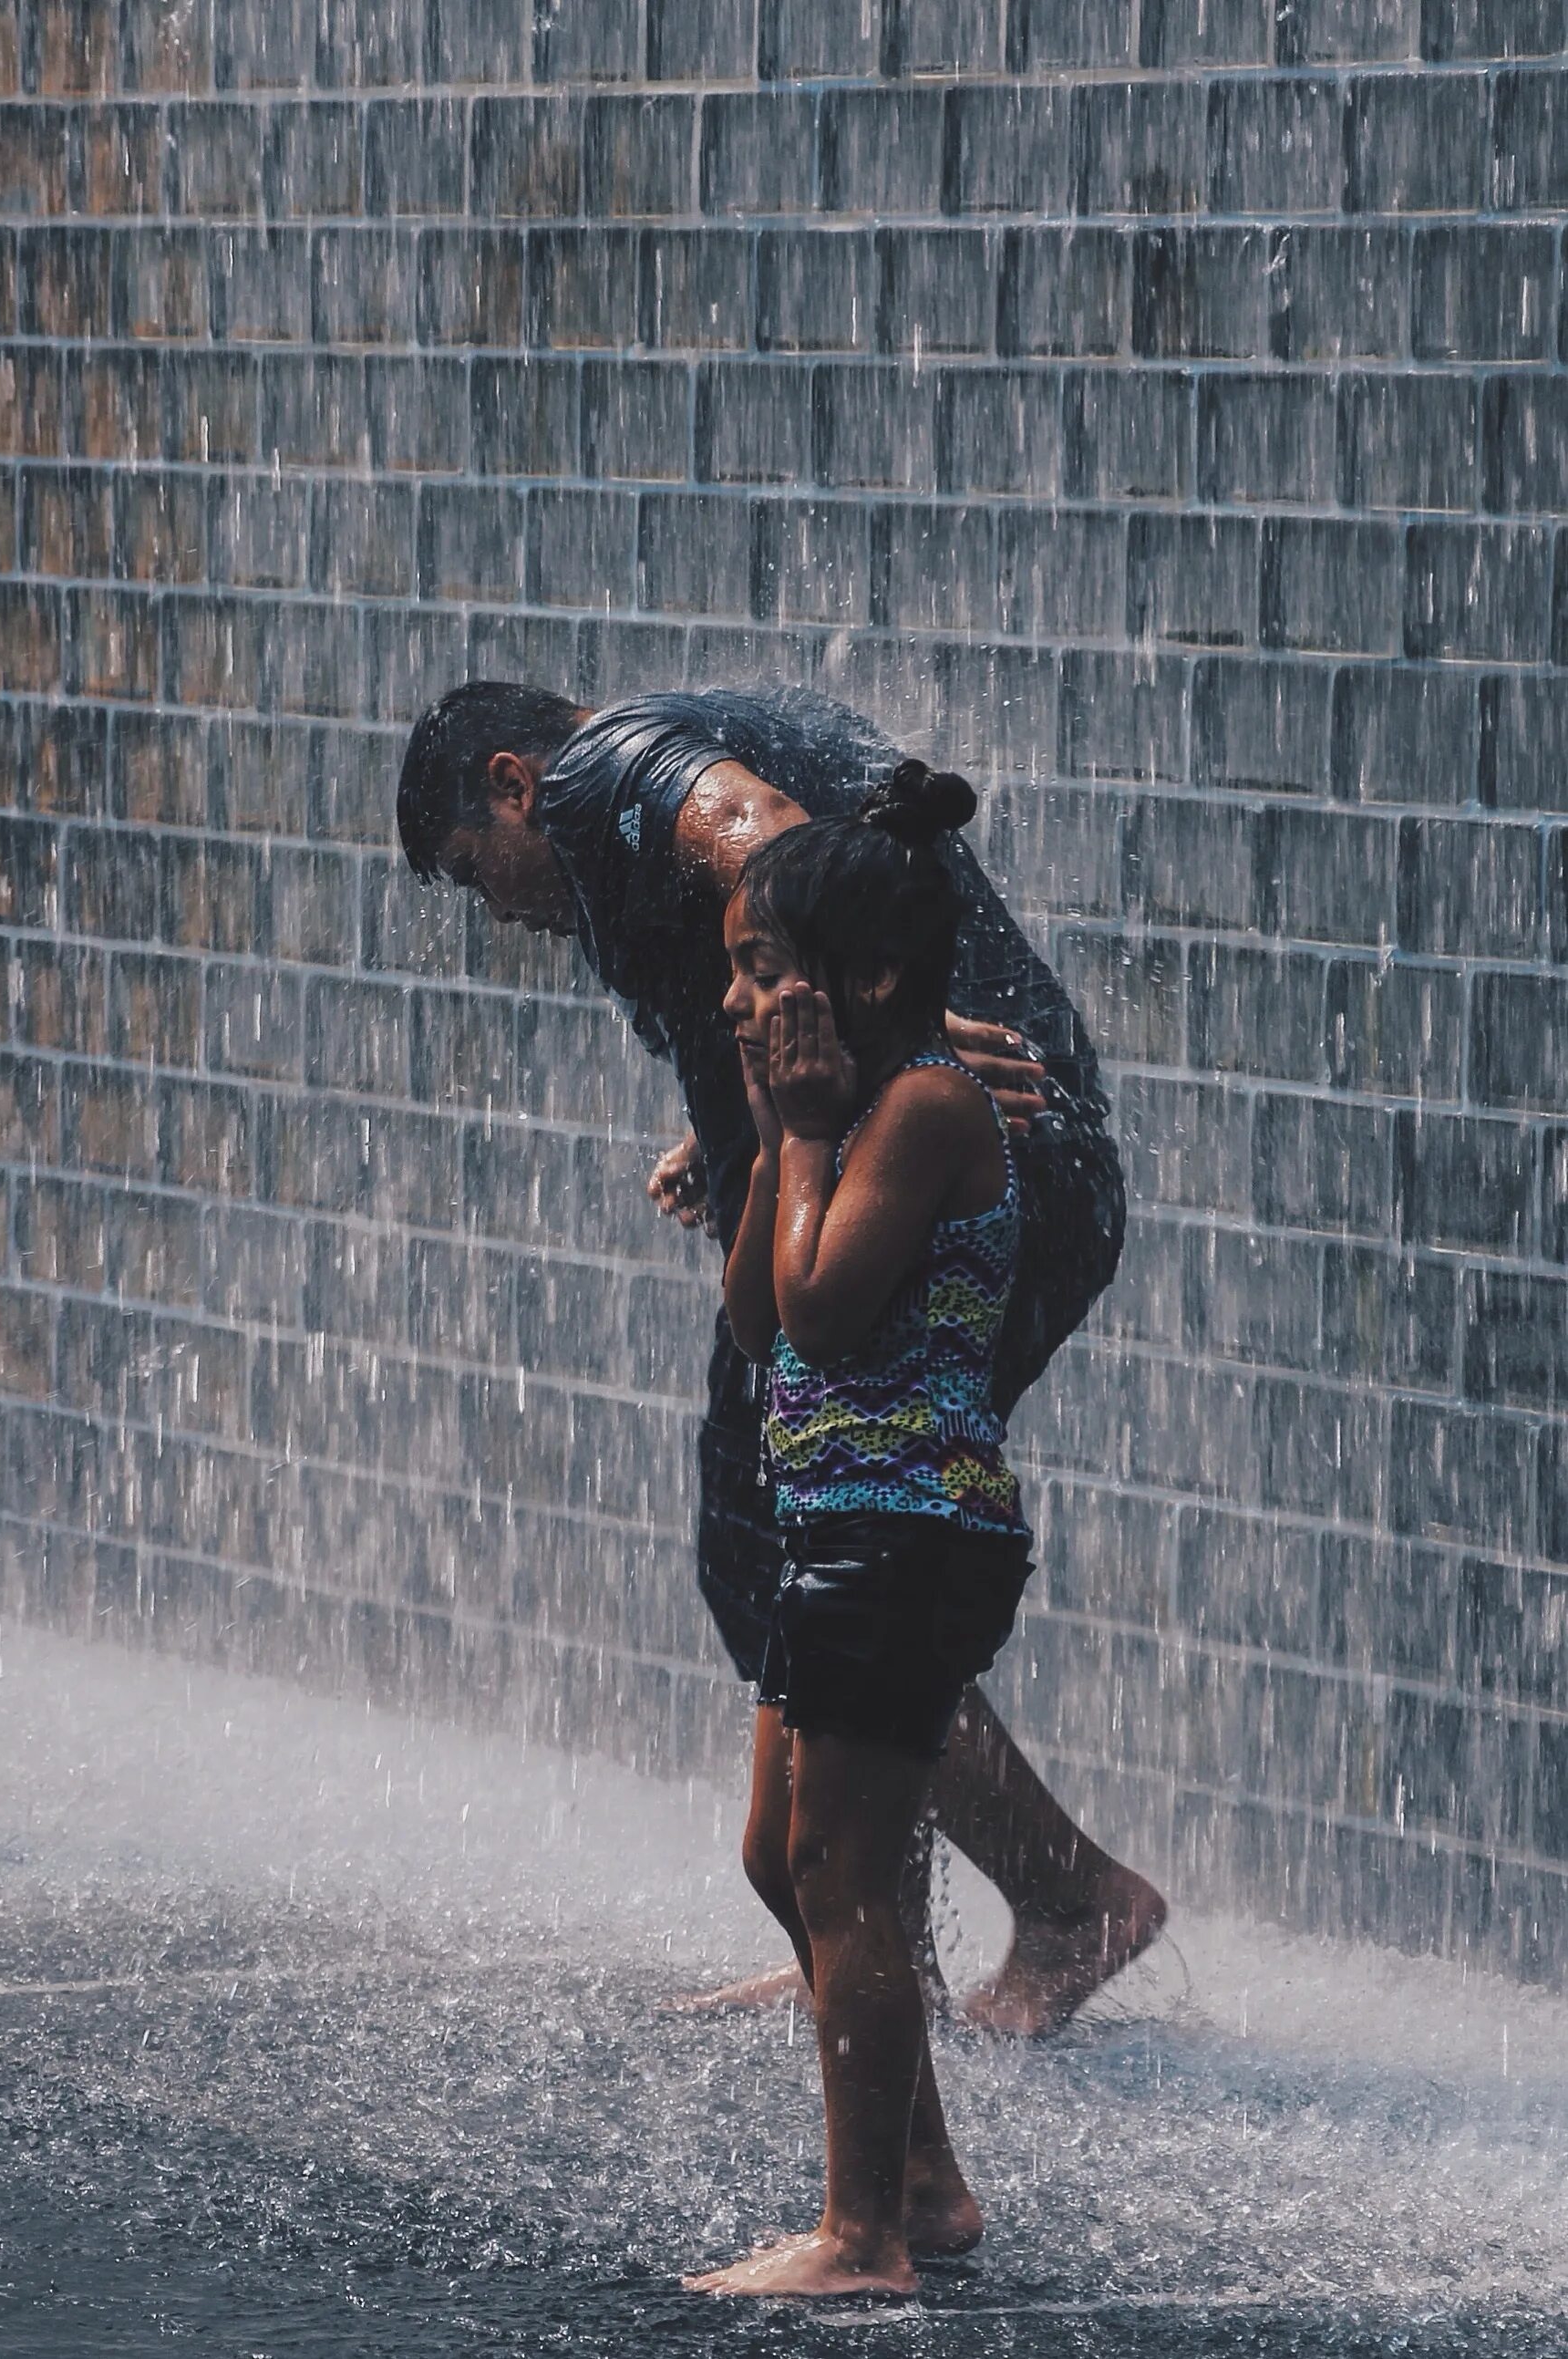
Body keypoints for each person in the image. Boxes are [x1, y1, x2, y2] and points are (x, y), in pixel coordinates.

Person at [397, 679, 1163, 2036]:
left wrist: (890, 1053)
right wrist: (745, 1129)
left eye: (473, 869)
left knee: (802, 1542)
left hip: (969, 1173)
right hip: (996, 1169)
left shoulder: (605, 774)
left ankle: (1050, 1903)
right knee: (799, 1533)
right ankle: (879, 1937)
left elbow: (769, 839)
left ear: (513, 785)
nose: (496, 909)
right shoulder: (658, 757)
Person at [684, 765, 1031, 2298]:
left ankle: (865, 2235)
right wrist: (773, 1135)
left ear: (869, 977)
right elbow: (759, 1321)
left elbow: (827, 1311)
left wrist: (814, 1128)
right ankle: (925, 2179)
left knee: (844, 1874)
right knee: (787, 1855)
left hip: (912, 1535)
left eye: (764, 973)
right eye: (734, 975)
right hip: (842, 1530)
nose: (740, 1001)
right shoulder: (827, 1118)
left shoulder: (926, 1111)